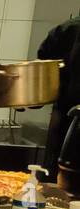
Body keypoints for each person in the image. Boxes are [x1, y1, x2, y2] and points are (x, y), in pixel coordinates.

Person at [41, 14, 80, 177]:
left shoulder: (66, 29)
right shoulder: (67, 30)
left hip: (64, 123)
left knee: (56, 185)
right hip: (67, 124)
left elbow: (41, 70)